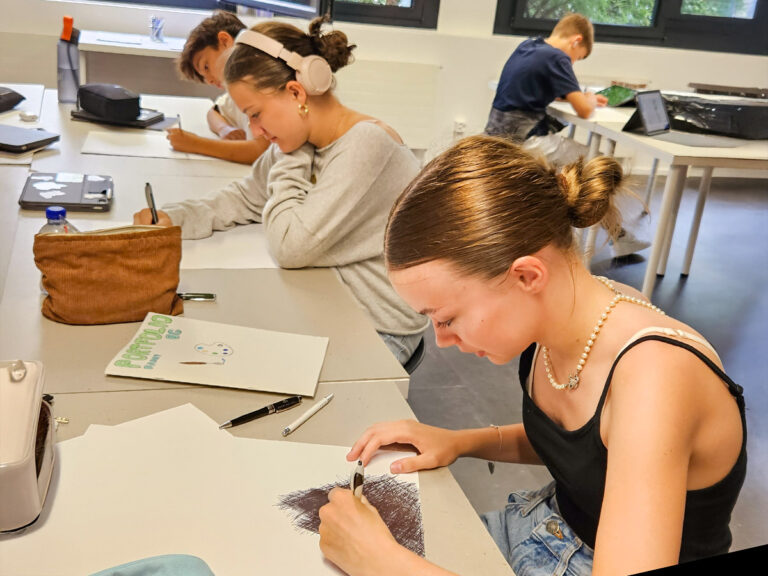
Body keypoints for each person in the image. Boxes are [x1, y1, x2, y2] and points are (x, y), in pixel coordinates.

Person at [317, 135, 746, 576]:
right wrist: (460, 441)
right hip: (543, 527)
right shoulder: (571, 310)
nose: (441, 340)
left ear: (525, 275)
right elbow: (581, 446)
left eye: (446, 317)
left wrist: (381, 563)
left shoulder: (656, 380)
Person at [134, 16, 428, 366]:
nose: (255, 131)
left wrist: (291, 155)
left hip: (376, 328)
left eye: (256, 114)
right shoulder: (301, 139)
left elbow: (291, 247)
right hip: (325, 302)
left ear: (295, 92)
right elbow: (247, 197)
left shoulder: (365, 145)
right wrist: (177, 217)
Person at [485, 12, 647, 258]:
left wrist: (576, 96)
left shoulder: (529, 46)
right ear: (576, 40)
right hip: (528, 141)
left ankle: (618, 235)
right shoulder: (557, 57)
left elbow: (541, 85)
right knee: (599, 167)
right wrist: (590, 99)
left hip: (498, 137)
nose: (573, 63)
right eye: (578, 57)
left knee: (583, 165)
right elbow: (583, 110)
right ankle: (619, 237)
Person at [172, 11, 270, 165]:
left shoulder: (265, 81)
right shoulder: (239, 89)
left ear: (225, 41)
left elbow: (260, 151)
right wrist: (225, 130)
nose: (210, 80)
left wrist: (194, 144)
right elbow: (214, 111)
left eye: (206, 66)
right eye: (204, 77)